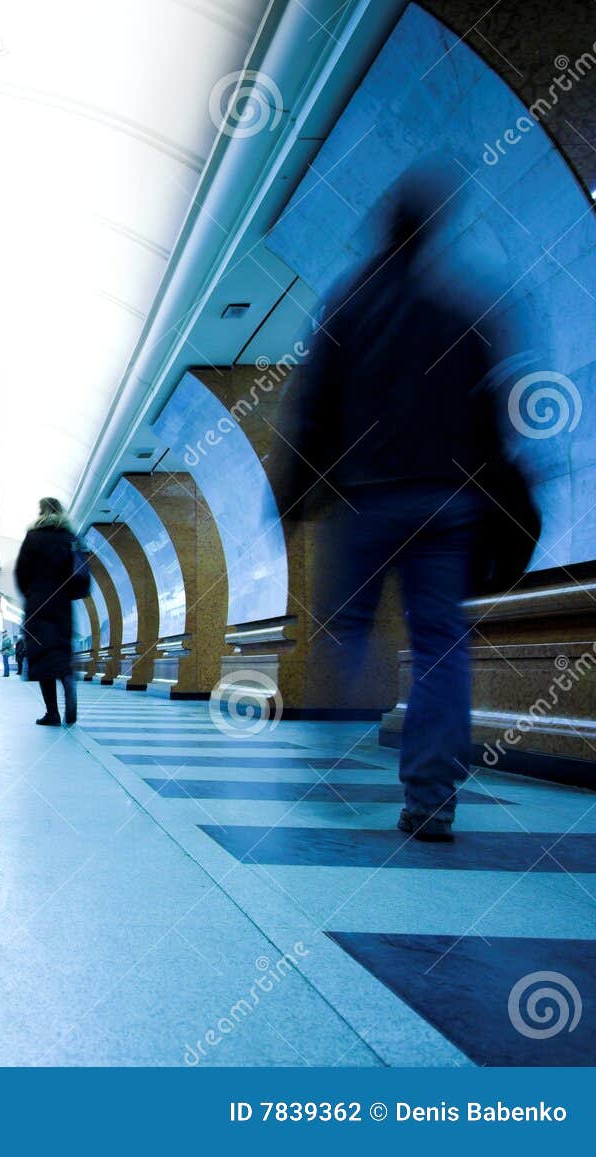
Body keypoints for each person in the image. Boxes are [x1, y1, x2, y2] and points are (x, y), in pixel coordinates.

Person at [277, 161, 535, 843]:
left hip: (366, 498)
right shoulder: (464, 307)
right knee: (441, 645)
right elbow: (497, 413)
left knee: (345, 624)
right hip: (450, 504)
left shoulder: (350, 301)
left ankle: (331, 751)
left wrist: (293, 494)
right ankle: (431, 798)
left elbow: (313, 406)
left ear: (384, 229)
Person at [14, 497, 83, 726]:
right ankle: (68, 682)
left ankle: (52, 713)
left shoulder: (34, 537)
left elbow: (21, 572)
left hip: (38, 604)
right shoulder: (70, 538)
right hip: (62, 605)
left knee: (43, 655)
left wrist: (31, 593)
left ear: (41, 511)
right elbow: (80, 574)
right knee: (61, 650)